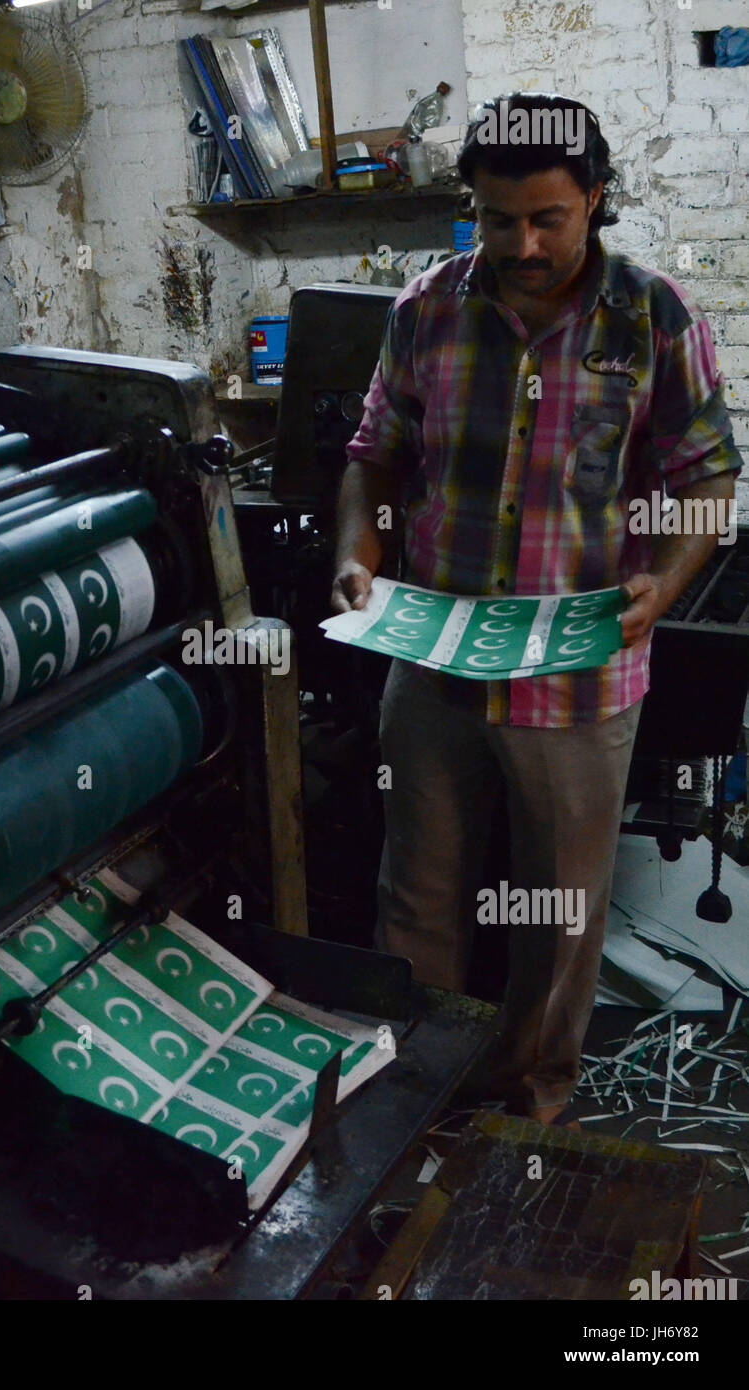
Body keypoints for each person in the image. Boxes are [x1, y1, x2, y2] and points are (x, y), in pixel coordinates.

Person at [332, 93, 741, 1127]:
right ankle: (413, 1098)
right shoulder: (425, 308)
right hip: (432, 662)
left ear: (596, 200)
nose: (520, 242)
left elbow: (706, 480)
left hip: (581, 675)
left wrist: (667, 580)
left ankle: (525, 1108)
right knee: (416, 896)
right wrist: (358, 553)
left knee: (557, 921)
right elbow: (374, 455)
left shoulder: (654, 317)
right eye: (495, 218)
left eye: (546, 219)